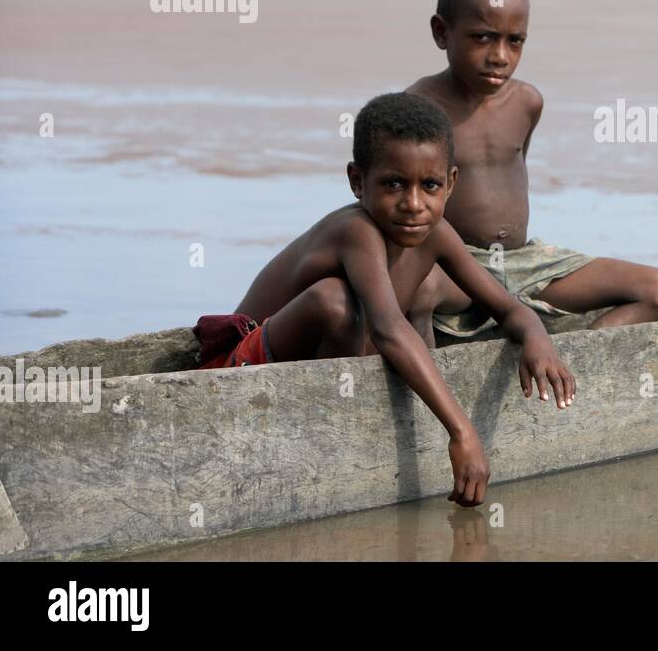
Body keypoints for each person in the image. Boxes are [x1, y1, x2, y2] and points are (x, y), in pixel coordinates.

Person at [193, 92, 576, 508]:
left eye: (429, 186)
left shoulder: (438, 233)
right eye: (393, 184)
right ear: (358, 181)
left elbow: (505, 306)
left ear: (450, 183)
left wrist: (537, 338)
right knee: (335, 301)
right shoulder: (355, 231)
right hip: (237, 367)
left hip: (334, 357)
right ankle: (339, 425)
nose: (413, 204)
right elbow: (388, 328)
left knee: (424, 292)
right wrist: (463, 432)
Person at [405, 0, 658, 339]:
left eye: (515, 41)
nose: (500, 56)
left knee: (655, 288)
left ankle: (574, 370)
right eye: (483, 37)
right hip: (455, 270)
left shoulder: (527, 103)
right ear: (441, 32)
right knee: (421, 291)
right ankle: (428, 385)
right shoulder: (418, 111)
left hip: (524, 264)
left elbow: (513, 172)